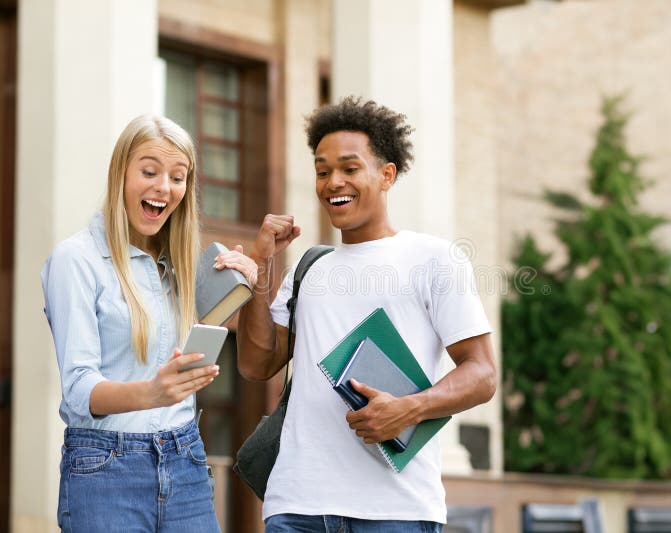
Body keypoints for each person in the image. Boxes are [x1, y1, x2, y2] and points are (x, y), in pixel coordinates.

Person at [231, 96, 497, 532]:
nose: (333, 182)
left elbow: (483, 373)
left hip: (397, 511)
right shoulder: (309, 268)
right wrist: (261, 269)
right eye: (322, 171)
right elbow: (256, 364)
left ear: (386, 174)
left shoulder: (433, 259)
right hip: (297, 507)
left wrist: (409, 408)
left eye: (350, 169)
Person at [42, 115, 256, 532]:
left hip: (185, 460)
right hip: (105, 469)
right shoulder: (76, 260)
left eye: (178, 177)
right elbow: (79, 389)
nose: (164, 187)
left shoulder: (179, 264)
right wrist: (152, 392)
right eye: (150, 171)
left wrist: (251, 277)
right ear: (121, 172)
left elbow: (210, 338)